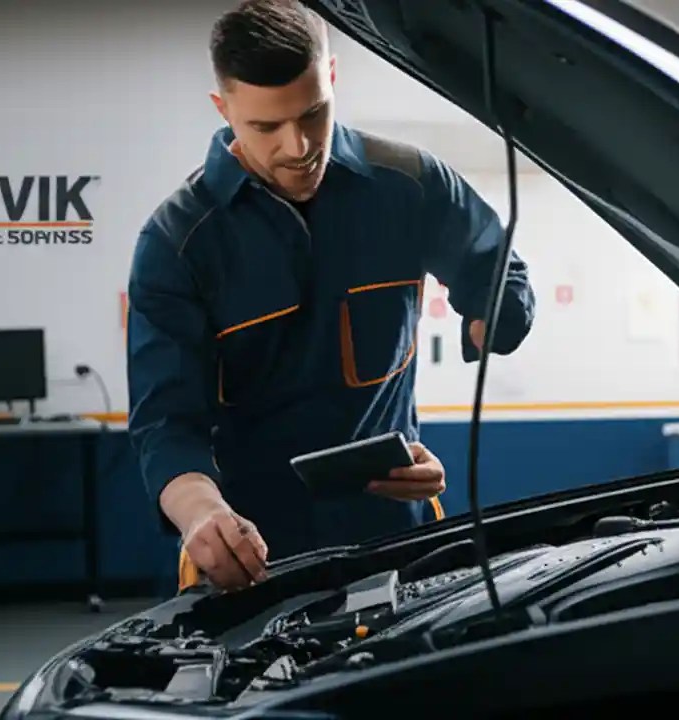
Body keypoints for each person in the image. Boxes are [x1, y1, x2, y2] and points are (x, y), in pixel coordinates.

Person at [126, 0, 536, 591]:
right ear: (224, 109)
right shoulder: (177, 242)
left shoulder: (411, 185)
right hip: (247, 552)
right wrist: (201, 514)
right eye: (266, 127)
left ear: (333, 78)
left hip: (395, 533)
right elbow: (166, 424)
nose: (298, 146)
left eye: (313, 113)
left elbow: (501, 275)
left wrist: (495, 321)